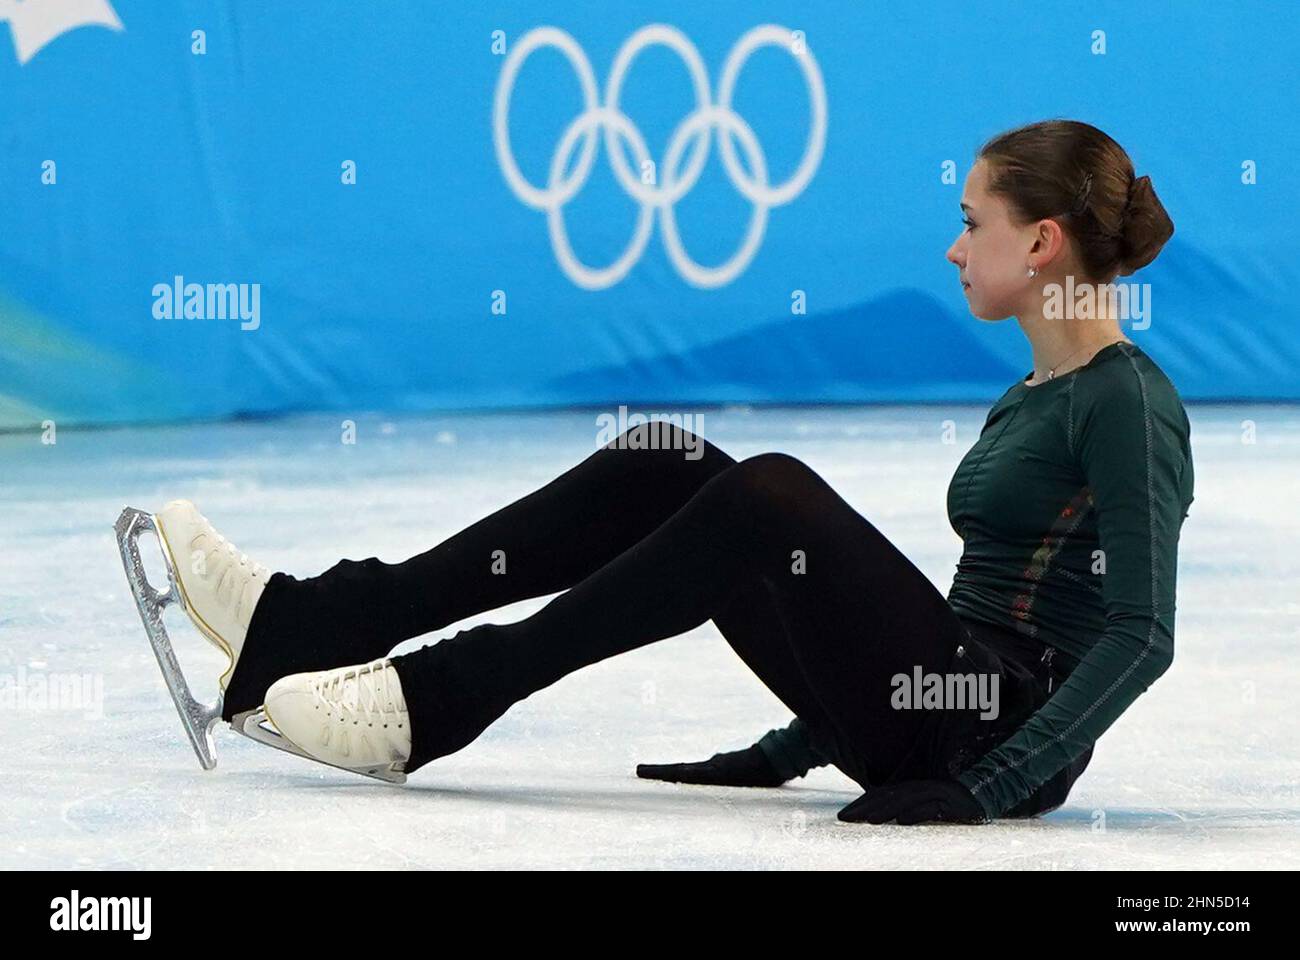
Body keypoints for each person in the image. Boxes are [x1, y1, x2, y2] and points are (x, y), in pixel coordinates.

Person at [153, 118, 1194, 824]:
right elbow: (937, 625)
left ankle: (440, 698)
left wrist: (988, 791)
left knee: (768, 488)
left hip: (999, 737)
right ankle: (315, 619)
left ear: (1044, 241)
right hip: (941, 708)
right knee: (671, 460)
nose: (954, 249)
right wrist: (798, 744)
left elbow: (1140, 635)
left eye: (973, 223)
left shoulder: (1124, 400)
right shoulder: (1030, 393)